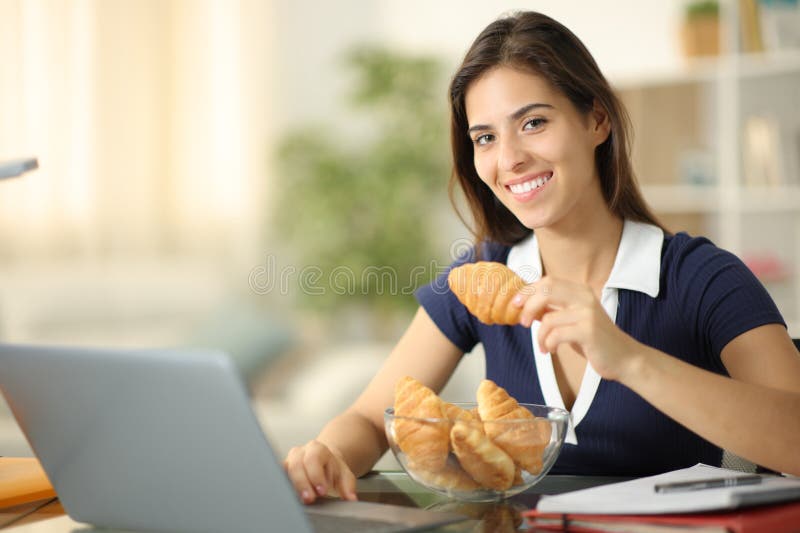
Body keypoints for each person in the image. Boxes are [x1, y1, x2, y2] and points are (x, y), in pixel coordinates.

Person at [283, 11, 800, 504]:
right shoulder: (480, 278)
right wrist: (327, 455)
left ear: (597, 121)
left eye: (533, 123)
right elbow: (371, 421)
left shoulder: (702, 278)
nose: (509, 159)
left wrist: (630, 359)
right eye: (486, 137)